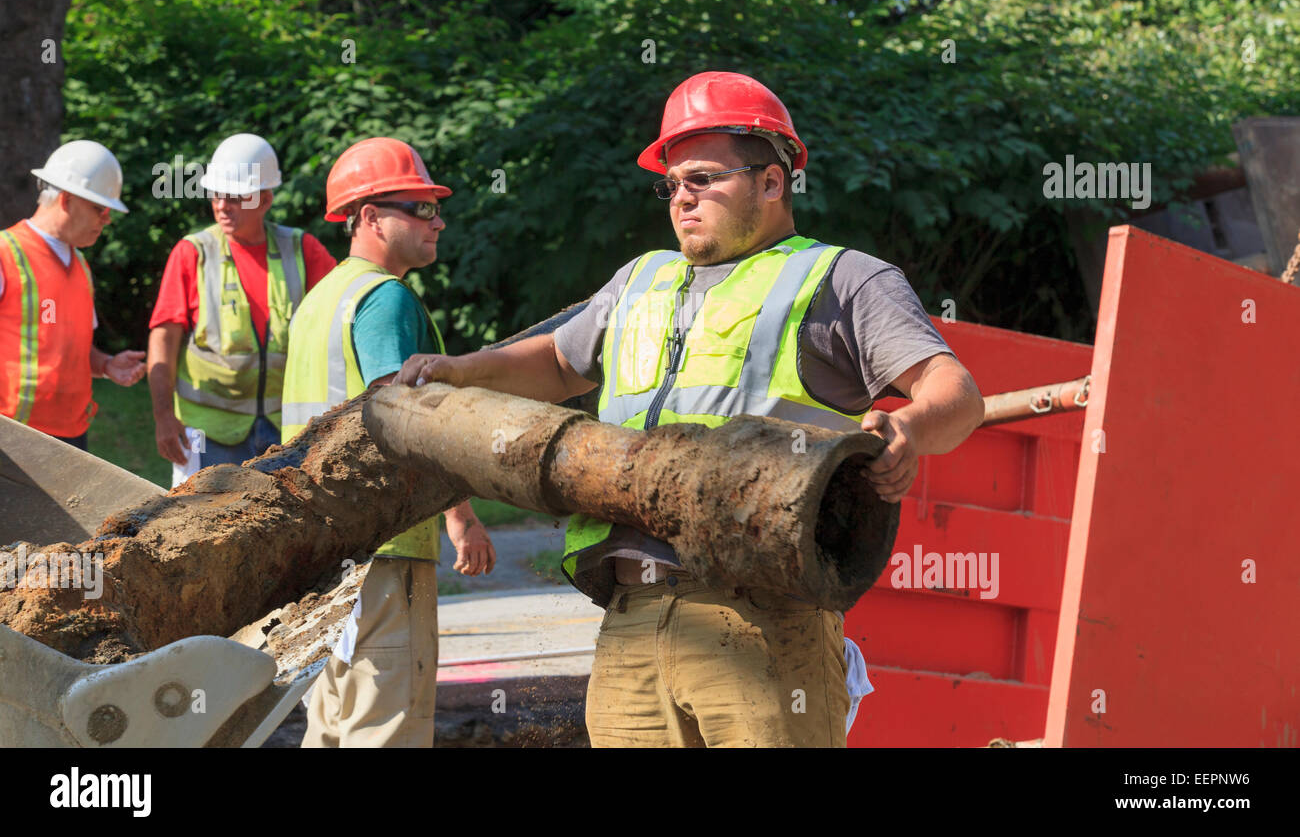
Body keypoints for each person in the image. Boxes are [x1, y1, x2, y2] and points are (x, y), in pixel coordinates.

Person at [396, 71, 985, 747]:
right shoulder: (640, 280)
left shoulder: (843, 278)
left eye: (703, 179)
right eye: (672, 185)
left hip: (764, 622)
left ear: (772, 181)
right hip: (630, 621)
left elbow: (955, 393)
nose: (682, 199)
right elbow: (558, 363)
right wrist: (460, 372)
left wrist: (907, 428)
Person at [282, 136, 496, 748]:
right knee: (386, 723)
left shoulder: (320, 299)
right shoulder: (384, 299)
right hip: (386, 544)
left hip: (320, 549)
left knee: (331, 722)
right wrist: (462, 516)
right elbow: (410, 421)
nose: (438, 221)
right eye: (421, 208)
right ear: (370, 217)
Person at [147, 134, 336, 485]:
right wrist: (162, 415)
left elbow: (342, 317)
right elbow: (163, 338)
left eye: (235, 196)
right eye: (217, 195)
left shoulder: (302, 250)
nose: (222, 205)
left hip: (287, 431)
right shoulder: (194, 253)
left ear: (265, 199)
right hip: (209, 434)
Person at [1, 140, 145, 449]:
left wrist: (106, 364)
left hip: (72, 436)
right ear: (66, 200)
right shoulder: (5, 254)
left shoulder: (79, 264)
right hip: (14, 439)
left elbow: (72, 349)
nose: (107, 219)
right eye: (99, 208)